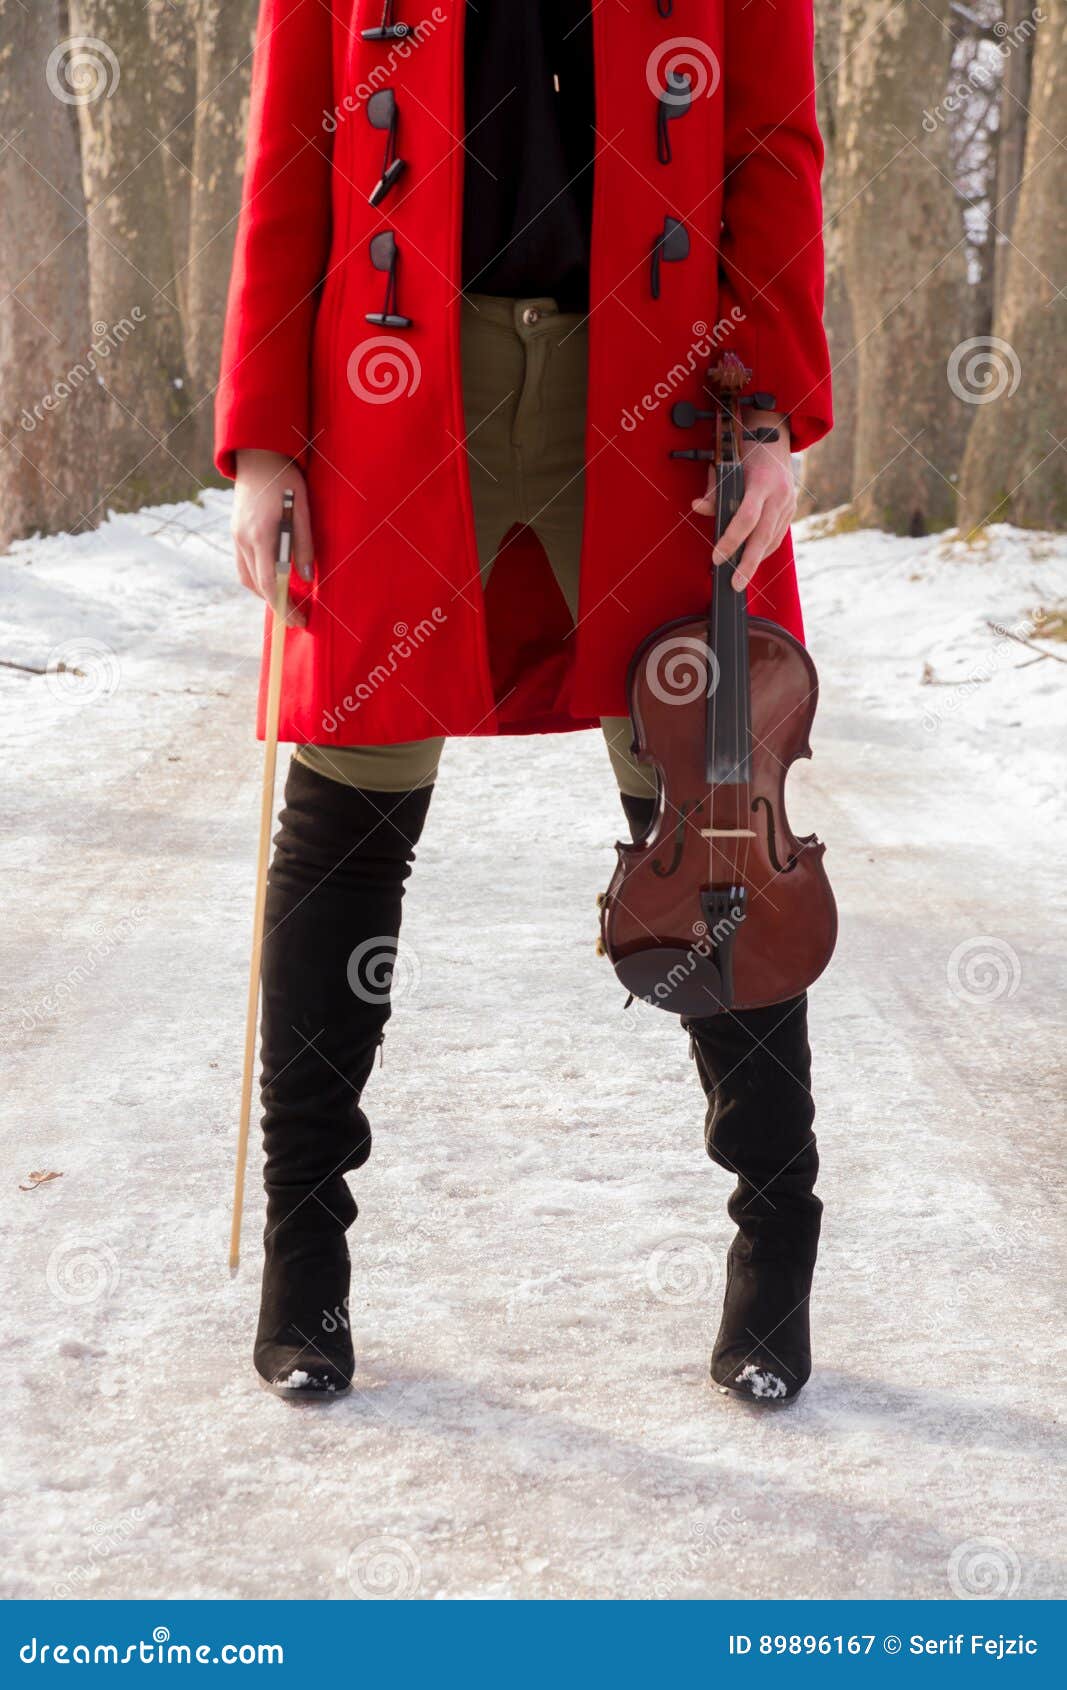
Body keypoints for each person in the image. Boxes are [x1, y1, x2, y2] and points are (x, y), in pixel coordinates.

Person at [217, 1, 833, 1402]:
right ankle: (305, 1257)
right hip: (391, 387)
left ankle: (776, 1239)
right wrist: (264, 433)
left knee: (714, 813)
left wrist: (771, 409)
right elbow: (288, 155)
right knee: (347, 818)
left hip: (668, 392)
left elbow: (771, 144)